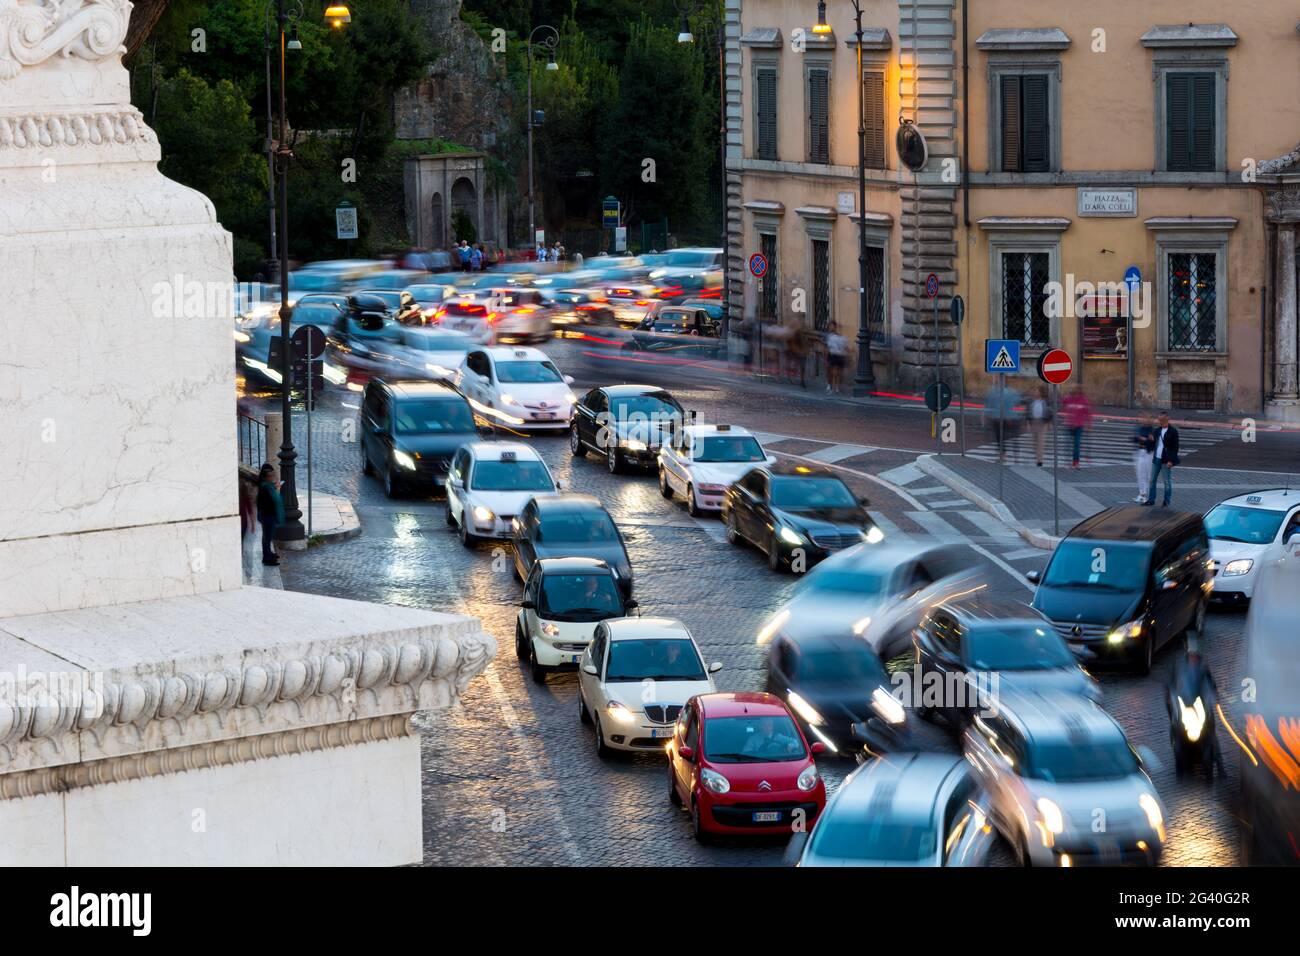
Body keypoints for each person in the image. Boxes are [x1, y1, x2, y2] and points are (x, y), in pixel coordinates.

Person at [1167, 639, 1225, 778]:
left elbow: (1210, 685)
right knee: (1176, 729)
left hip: (1201, 708)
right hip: (1185, 709)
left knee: (1211, 736)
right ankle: (1179, 759)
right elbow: (1171, 686)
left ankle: (1220, 765)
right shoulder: (1180, 669)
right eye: (1191, 655)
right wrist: (1171, 698)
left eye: (1195, 656)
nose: (1193, 658)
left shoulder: (1203, 669)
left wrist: (1214, 696)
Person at [1145, 411, 1180, 507]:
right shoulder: (1157, 431)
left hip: (1166, 460)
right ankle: (1151, 500)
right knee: (1152, 480)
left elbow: (1175, 447)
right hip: (1156, 459)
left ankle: (1166, 501)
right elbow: (1151, 445)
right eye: (1159, 420)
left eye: (1162, 420)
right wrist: (1150, 440)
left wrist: (1171, 461)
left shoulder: (1173, 431)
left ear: (1167, 419)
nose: (1160, 422)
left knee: (1166, 481)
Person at [255, 463, 284, 567]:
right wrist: (276, 489)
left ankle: (268, 554)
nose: (273, 477)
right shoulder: (266, 488)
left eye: (273, 475)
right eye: (271, 476)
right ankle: (267, 558)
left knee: (268, 537)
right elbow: (270, 503)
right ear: (265, 477)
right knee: (267, 537)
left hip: (267, 515)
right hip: (267, 516)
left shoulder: (266, 486)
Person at [1061, 387, 1093, 468]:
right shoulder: (1068, 399)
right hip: (1069, 424)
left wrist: (1089, 424)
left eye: (1076, 393)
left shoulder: (1084, 400)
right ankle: (1067, 462)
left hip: (1079, 425)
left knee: (1077, 444)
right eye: (1073, 393)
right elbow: (1062, 402)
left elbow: (1088, 413)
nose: (1075, 395)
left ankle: (1075, 462)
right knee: (1067, 444)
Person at [1132, 413, 1157, 503]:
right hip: (1141, 452)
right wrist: (1144, 439)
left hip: (1149, 453)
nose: (1145, 420)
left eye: (1147, 419)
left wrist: (1145, 439)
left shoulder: (1153, 430)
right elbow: (1134, 438)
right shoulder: (1139, 428)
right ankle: (1142, 494)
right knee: (1140, 474)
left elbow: (1153, 442)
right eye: (1144, 418)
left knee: (1149, 475)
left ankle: (1150, 495)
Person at [1027, 385, 1051, 467]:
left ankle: (1040, 461)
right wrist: (1028, 423)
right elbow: (1028, 413)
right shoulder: (1032, 402)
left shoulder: (1045, 402)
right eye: (1035, 391)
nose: (1035, 392)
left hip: (1042, 423)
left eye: (1036, 390)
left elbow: (1049, 413)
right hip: (1033, 422)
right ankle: (1037, 457)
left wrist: (1047, 423)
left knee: (1041, 442)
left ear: (1041, 392)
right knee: (1034, 443)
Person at [825, 322, 848, 392]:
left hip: (840, 356)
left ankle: (836, 386)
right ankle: (830, 385)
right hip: (832, 355)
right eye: (831, 326)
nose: (832, 328)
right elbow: (826, 347)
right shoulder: (829, 336)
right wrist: (825, 357)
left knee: (838, 373)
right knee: (831, 372)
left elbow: (846, 347)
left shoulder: (843, 337)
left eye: (833, 326)